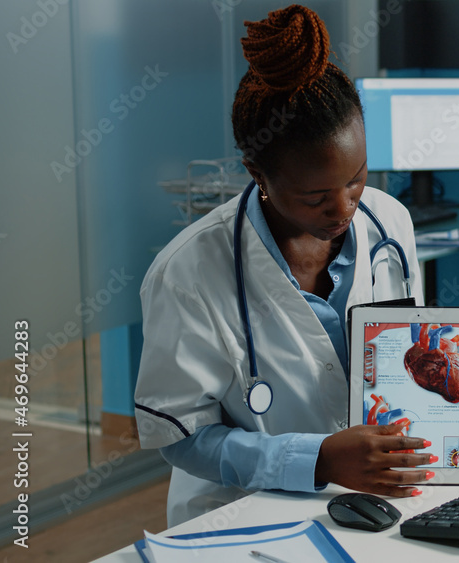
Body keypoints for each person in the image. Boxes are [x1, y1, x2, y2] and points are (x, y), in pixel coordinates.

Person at [133, 4, 432, 526]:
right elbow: (182, 436)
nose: (344, 209)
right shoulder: (187, 272)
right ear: (258, 173)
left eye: (356, 179)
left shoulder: (390, 222)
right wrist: (318, 460)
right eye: (316, 197)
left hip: (373, 500)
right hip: (241, 517)